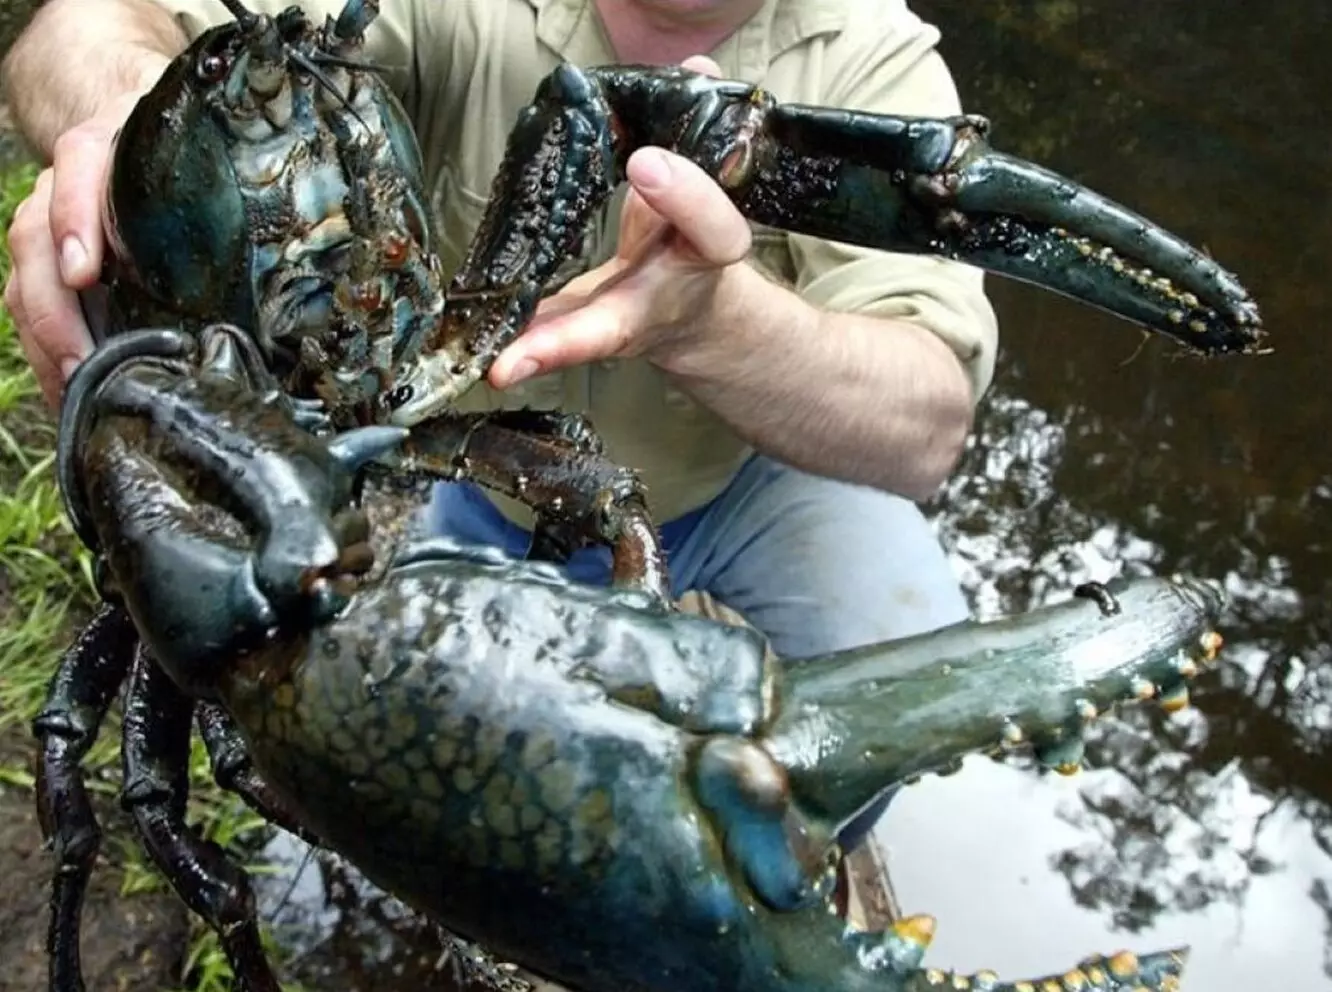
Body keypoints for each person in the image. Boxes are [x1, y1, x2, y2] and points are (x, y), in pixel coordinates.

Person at [0, 0, 998, 923]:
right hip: (470, 474)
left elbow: (928, 419)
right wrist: (130, 128)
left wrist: (720, 327)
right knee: (430, 778)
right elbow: (70, 26)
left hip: (750, 481)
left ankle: (782, 882)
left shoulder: (872, 50)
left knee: (904, 645)